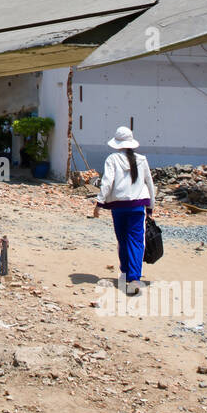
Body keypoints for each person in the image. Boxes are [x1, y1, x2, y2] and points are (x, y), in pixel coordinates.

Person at [91, 126, 156, 295]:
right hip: (137, 205)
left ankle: (126, 273)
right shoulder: (141, 159)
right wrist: (151, 206)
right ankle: (134, 278)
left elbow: (107, 182)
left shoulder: (112, 159)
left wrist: (99, 203)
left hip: (118, 207)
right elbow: (149, 183)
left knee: (123, 239)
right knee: (136, 240)